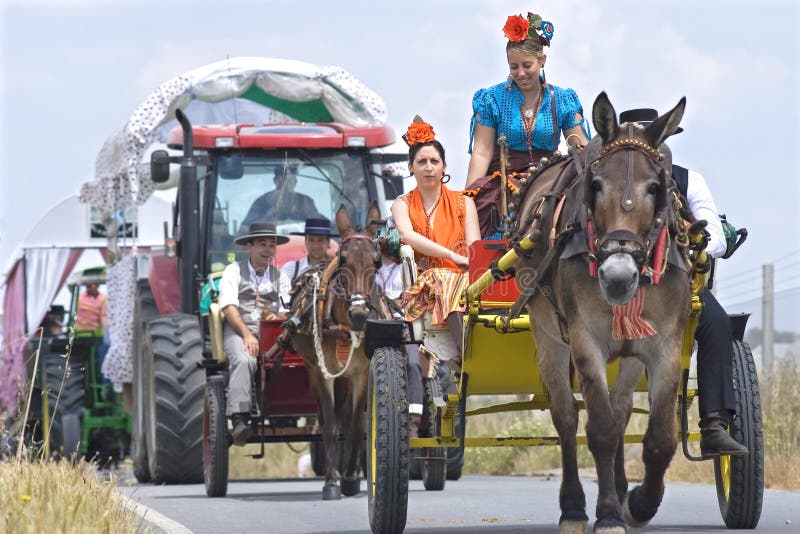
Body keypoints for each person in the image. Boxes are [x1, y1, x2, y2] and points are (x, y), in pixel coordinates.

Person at [618, 108, 748, 457]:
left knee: (717, 322)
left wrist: (695, 240)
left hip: (675, 285)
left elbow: (716, 237)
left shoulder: (690, 181)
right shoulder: (611, 183)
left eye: (655, 140)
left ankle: (714, 425)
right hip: (618, 287)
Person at [466, 12, 590, 236]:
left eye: (527, 65)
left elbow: (581, 146)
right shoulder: (491, 99)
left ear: (542, 61)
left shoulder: (563, 100)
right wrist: (467, 198)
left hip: (550, 181)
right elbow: (482, 152)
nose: (520, 73)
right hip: (503, 189)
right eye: (514, 67)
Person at [392, 116, 481, 371]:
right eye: (422, 162)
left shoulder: (465, 203)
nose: (429, 167)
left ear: (444, 166)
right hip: (426, 284)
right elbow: (408, 236)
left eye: (434, 161)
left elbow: (474, 248)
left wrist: (467, 264)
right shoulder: (402, 204)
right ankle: (468, 355)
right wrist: (452, 257)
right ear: (411, 168)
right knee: (442, 278)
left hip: (465, 277)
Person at [218, 222, 292, 445]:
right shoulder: (233, 271)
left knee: (292, 361)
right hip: (239, 331)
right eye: (262, 244)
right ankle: (239, 419)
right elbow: (229, 307)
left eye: (271, 245)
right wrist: (247, 335)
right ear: (249, 246)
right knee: (244, 360)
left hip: (272, 334)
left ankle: (288, 407)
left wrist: (279, 317)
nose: (267, 250)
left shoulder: (281, 276)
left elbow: (287, 309)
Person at [238, 164, 323, 233]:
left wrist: (308, 216)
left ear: (295, 182)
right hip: (269, 245)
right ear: (276, 181)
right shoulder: (262, 202)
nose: (287, 185)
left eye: (291, 181)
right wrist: (269, 215)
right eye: (284, 180)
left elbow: (321, 227)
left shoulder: (306, 202)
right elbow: (245, 231)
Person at [281, 217, 336, 283]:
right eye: (311, 240)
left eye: (320, 240)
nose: (316, 245)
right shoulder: (291, 268)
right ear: (305, 241)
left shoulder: (337, 271)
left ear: (328, 242)